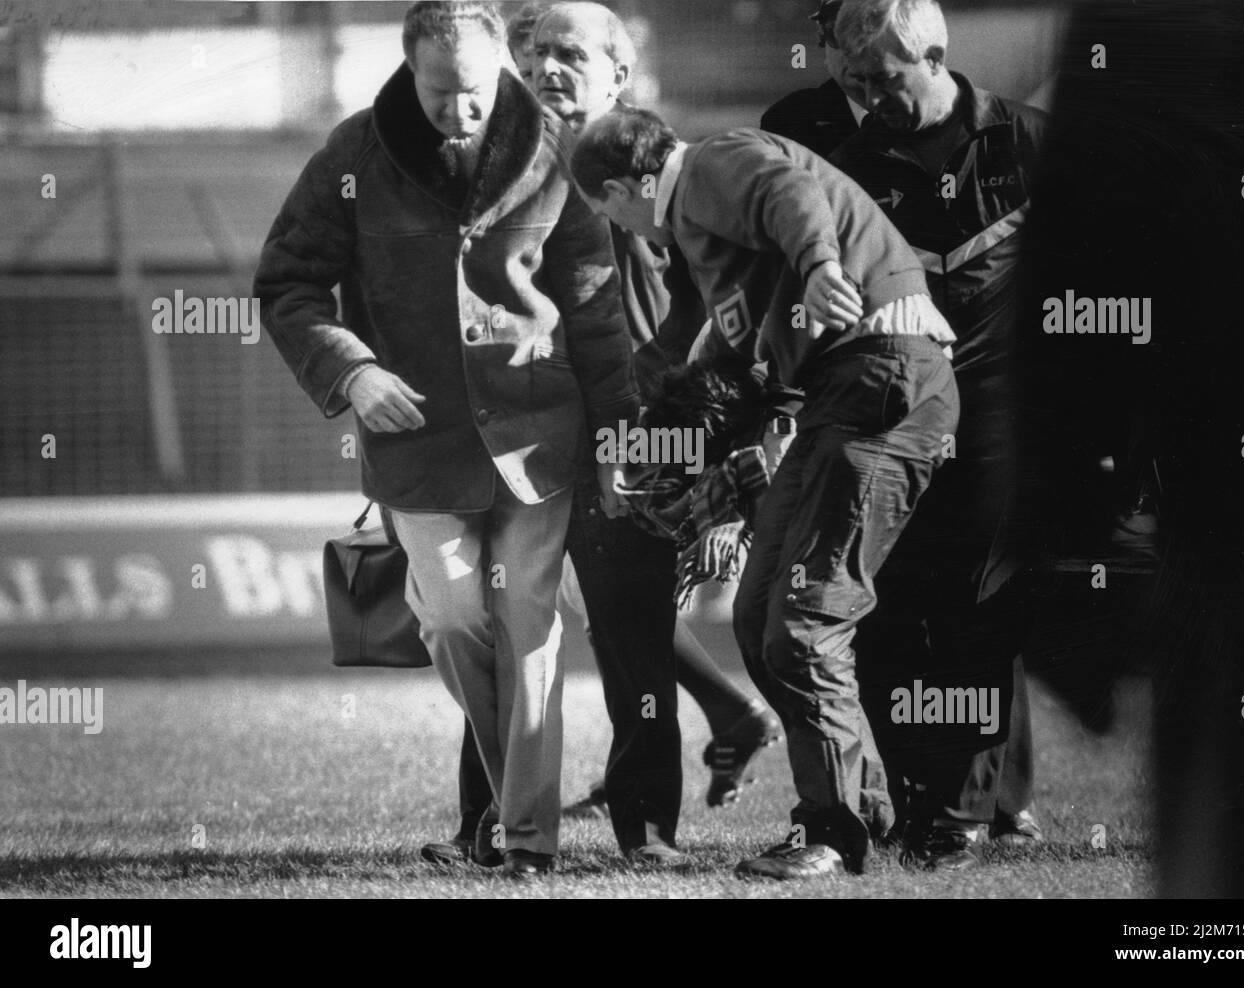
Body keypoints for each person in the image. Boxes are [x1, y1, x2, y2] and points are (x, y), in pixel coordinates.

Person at [255, 1, 638, 880]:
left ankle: (527, 843)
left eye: (474, 95)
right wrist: (352, 371)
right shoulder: (351, 155)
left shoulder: (557, 153)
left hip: (542, 439)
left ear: (501, 64)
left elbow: (593, 304)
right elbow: (287, 284)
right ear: (407, 70)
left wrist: (619, 436)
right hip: (418, 449)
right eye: (440, 96)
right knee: (461, 620)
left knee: (528, 627)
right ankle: (515, 810)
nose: (462, 113)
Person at [423, 1, 781, 874]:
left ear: (621, 74)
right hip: (531, 446)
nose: (548, 66)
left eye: (571, 53)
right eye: (534, 51)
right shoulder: (493, 170)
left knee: (633, 644)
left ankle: (647, 833)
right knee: (510, 634)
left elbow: (721, 336)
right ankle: (486, 825)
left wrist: (694, 466)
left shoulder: (678, 176)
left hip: (643, 443)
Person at [572, 109, 960, 880]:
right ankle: (868, 807)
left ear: (619, 190)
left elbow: (789, 191)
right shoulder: (711, 243)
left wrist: (820, 265)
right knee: (759, 617)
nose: (624, 231)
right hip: (843, 395)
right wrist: (652, 446)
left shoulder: (710, 166)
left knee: (804, 623)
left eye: (609, 212)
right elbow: (716, 366)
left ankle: (831, 830)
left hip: (877, 375)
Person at [829, 0, 1046, 869]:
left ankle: (962, 811)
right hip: (900, 417)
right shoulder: (843, 167)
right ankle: (922, 794)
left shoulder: (1029, 143)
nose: (872, 95)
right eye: (854, 83)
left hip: (1003, 414)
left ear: (937, 53)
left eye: (886, 77)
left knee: (979, 613)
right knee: (885, 615)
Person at [760, 0, 869, 158]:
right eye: (836, 31)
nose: (852, 47)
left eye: (866, 32)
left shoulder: (916, 119)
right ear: (822, 38)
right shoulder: (789, 120)